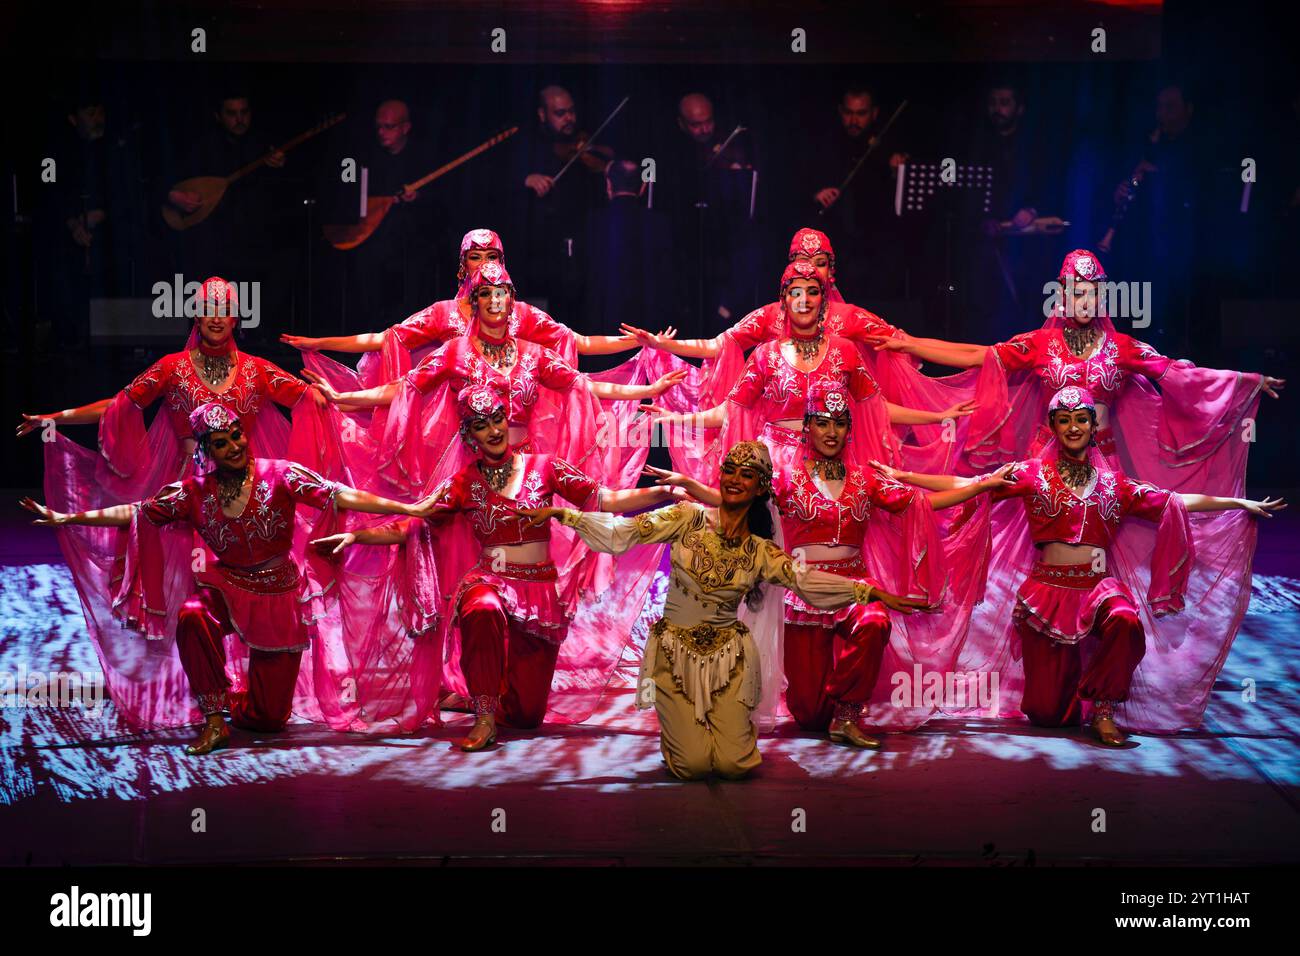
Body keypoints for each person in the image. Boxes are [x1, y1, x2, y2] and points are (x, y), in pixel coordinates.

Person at [19, 402, 434, 754]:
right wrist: (67, 517)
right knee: (193, 615)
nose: (234, 446)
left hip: (277, 593)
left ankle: (237, 699)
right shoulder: (195, 491)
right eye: (222, 442)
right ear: (207, 451)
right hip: (228, 585)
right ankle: (214, 717)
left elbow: (337, 493)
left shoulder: (282, 475)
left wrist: (409, 509)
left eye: (236, 435)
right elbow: (138, 512)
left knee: (269, 720)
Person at [888, 386, 1284, 744]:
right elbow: (969, 484)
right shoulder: (1031, 475)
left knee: (1126, 622)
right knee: (1047, 717)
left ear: (1094, 426)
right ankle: (1069, 701)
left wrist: (1239, 503)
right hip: (1047, 594)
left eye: (1081, 419)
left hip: (1097, 589)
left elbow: (1174, 501)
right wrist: (904, 476)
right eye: (1065, 420)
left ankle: (1104, 709)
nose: (1073, 427)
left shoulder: (1116, 485)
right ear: (1054, 427)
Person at [518, 440, 928, 780]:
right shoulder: (685, 518)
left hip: (729, 661)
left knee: (734, 766)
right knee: (695, 766)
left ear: (760, 489)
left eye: (746, 474)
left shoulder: (761, 552)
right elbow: (621, 534)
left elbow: (806, 582)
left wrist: (870, 593)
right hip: (675, 656)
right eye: (729, 469)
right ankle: (680, 734)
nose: (734, 479)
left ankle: (713, 729)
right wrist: (563, 513)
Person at [648, 380, 1013, 747]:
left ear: (849, 430)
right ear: (807, 428)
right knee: (809, 717)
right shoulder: (786, 478)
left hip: (854, 587)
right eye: (822, 422)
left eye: (839, 423)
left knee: (874, 620)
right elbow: (741, 502)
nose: (831, 432)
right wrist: (689, 486)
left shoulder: (866, 479)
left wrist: (981, 486)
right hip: (802, 593)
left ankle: (848, 712)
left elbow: (921, 504)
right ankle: (826, 710)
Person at [313, 382, 675, 750]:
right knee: (482, 608)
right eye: (482, 425)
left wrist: (663, 492)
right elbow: (416, 523)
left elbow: (603, 498)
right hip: (491, 580)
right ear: (469, 435)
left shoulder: (544, 467)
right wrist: (358, 537)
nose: (494, 430)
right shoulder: (464, 483)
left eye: (498, 419)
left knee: (527, 717)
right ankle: (484, 717)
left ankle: (481, 696)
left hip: (538, 589)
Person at [871, 248, 1284, 495]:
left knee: (1101, 545)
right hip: (1044, 455)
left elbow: (1179, 374)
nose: (1083, 301)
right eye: (1075, 292)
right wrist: (911, 344)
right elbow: (980, 355)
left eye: (1092, 293)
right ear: (1062, 295)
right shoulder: (1039, 344)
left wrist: (1246, 383)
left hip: (1102, 460)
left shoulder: (1122, 348)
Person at [302, 261, 684, 496]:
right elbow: (404, 388)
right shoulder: (456, 351)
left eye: (503, 293)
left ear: (512, 299)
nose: (496, 301)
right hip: (472, 467)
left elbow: (583, 384)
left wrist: (647, 389)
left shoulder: (533, 354)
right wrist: (340, 398)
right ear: (475, 301)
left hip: (528, 469)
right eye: (486, 294)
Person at [642, 261, 974, 482]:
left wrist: (935, 415)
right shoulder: (765, 355)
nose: (804, 300)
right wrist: (676, 419)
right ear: (783, 301)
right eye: (795, 293)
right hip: (774, 473)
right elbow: (730, 411)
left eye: (812, 291)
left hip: (831, 468)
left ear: (824, 300)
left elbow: (874, 409)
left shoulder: (844, 351)